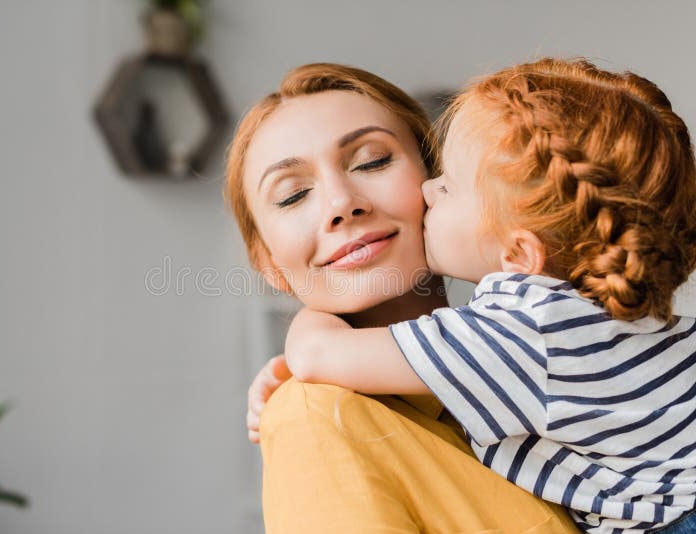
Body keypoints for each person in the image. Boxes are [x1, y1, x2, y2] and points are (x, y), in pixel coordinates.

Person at [283, 59, 696, 533]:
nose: (428, 189)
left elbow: (318, 355)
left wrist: (306, 316)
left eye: (449, 185)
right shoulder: (602, 318)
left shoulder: (523, 333)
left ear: (520, 252)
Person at [227, 63, 579, 533]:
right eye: (292, 196)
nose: (341, 204)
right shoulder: (316, 417)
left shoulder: (547, 341)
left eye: (372, 161)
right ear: (268, 263)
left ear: (441, 186)